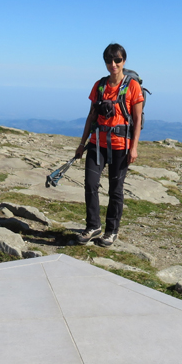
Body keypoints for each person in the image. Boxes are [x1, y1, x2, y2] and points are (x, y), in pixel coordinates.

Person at [73, 43, 145, 247]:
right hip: (97, 143)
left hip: (121, 145)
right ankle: (93, 226)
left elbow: (137, 119)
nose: (113, 64)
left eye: (117, 60)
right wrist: (82, 143)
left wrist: (134, 147)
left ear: (124, 61)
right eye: (108, 61)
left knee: (116, 189)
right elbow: (91, 116)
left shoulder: (132, 86)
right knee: (90, 184)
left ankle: (112, 231)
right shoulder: (100, 85)